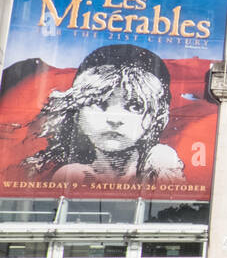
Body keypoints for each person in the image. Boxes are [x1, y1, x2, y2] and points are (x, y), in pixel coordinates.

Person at [22, 44, 183, 186]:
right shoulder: (71, 175)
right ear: (77, 112)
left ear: (156, 118)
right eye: (98, 103)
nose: (114, 119)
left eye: (135, 106)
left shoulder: (162, 164)